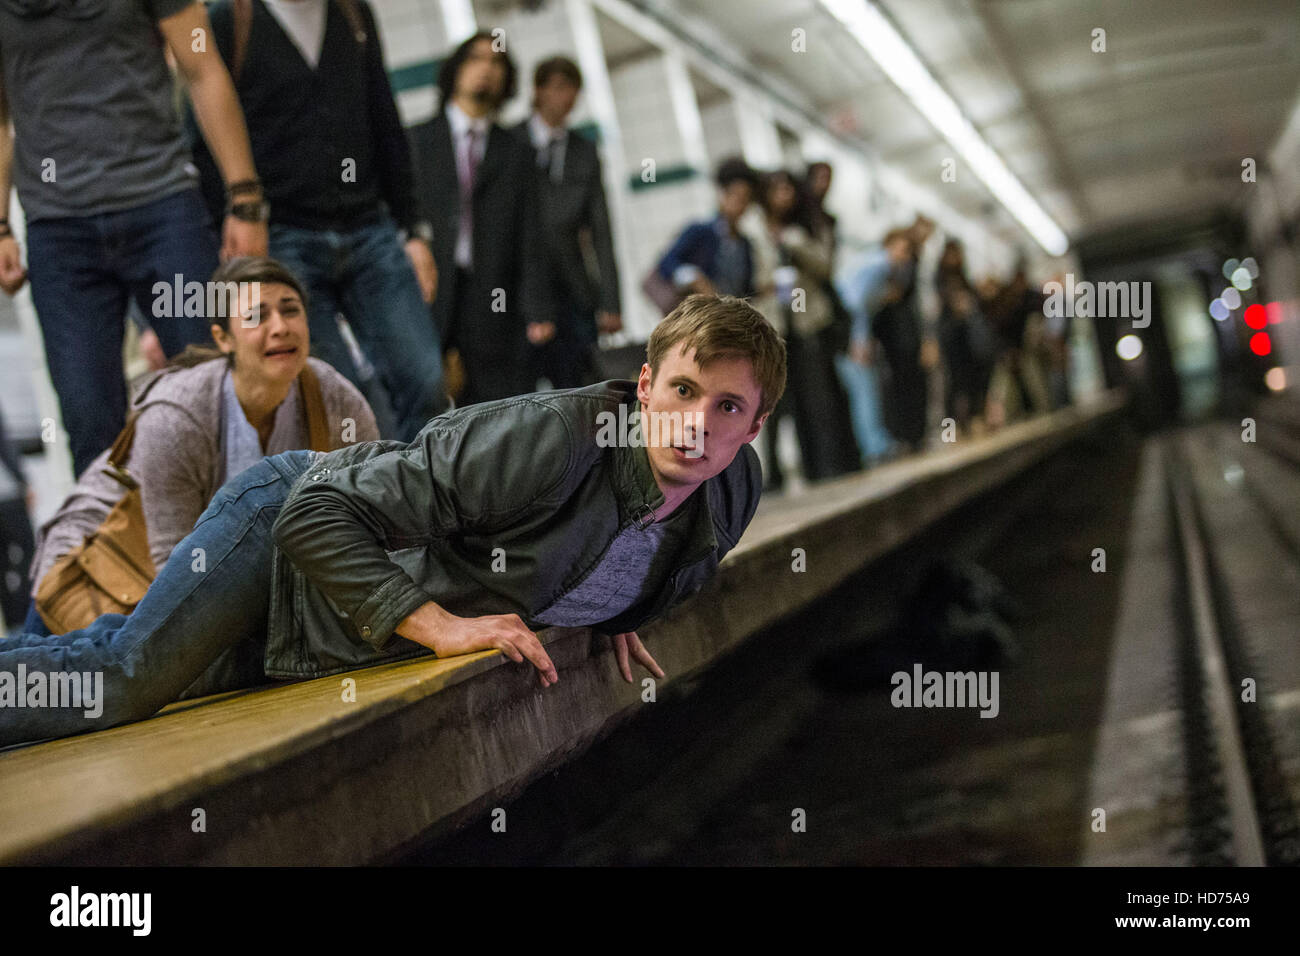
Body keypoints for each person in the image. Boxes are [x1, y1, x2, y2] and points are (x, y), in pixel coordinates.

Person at [0, 295, 786, 747]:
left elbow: (599, 539)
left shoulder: (729, 493)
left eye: (726, 408)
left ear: (753, 429)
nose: (696, 425)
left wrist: (618, 596)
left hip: (331, 615)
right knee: (127, 683)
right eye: (682, 391)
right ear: (645, 385)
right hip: (286, 529)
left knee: (114, 658)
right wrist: (439, 625)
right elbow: (317, 511)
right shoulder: (553, 439)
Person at [22, 257, 379, 636]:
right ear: (223, 338)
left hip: (196, 587)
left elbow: (373, 515)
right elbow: (175, 575)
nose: (280, 327)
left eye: (291, 311)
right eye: (257, 316)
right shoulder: (176, 416)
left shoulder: (337, 401)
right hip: (97, 572)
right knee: (41, 687)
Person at [0, 0, 268, 477]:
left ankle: (251, 542)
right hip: (59, 231)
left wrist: (244, 198)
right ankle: (126, 550)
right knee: (91, 426)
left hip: (163, 209)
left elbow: (202, 67)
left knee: (215, 393)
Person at [187, 0, 444, 443]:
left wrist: (414, 230)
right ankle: (371, 504)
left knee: (425, 379)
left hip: (370, 227)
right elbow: (204, 143)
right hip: (283, 237)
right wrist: (234, 232)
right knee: (334, 395)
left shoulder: (352, 12)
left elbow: (386, 121)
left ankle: (431, 502)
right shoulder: (230, 19)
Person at [408, 32, 548, 405]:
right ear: (455, 70)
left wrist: (537, 307)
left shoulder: (518, 152)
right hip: (427, 288)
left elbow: (531, 234)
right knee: (421, 396)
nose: (486, 69)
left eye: (496, 62)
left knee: (496, 404)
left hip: (493, 295)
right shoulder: (416, 142)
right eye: (476, 59)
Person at [511, 55, 623, 389]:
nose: (566, 97)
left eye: (573, 89)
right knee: (516, 388)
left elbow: (601, 230)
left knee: (578, 387)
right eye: (559, 87)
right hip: (517, 290)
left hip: (572, 290)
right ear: (538, 90)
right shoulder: (509, 142)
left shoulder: (584, 151)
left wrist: (610, 302)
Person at [748, 169, 857, 488]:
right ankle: (774, 477)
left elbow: (826, 266)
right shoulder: (752, 229)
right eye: (776, 189)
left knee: (817, 400)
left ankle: (825, 468)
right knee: (774, 404)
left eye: (788, 189)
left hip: (808, 324)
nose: (784, 196)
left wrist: (796, 243)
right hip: (772, 327)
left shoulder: (806, 226)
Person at [835, 229, 912, 466]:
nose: (904, 255)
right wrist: (858, 340)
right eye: (901, 249)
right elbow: (855, 303)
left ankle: (876, 443)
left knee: (865, 390)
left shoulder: (877, 267)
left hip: (848, 333)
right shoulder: (879, 266)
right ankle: (874, 448)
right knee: (865, 390)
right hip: (848, 336)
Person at [652, 157, 760, 302]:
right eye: (735, 195)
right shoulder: (700, 231)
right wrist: (694, 277)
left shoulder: (745, 243)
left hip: (732, 317)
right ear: (722, 194)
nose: (739, 203)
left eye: (745, 198)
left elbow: (747, 290)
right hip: (704, 315)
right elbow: (666, 262)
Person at [934, 239, 994, 436]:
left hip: (967, 338)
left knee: (971, 382)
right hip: (950, 337)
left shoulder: (963, 277)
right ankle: (950, 431)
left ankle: (971, 422)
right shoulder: (938, 279)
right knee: (952, 384)